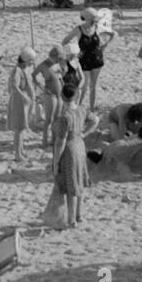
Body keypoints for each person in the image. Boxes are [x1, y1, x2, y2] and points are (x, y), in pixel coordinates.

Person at [50, 84, 91, 227]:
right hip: (80, 145)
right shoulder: (82, 109)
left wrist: (55, 162)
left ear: (62, 97)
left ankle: (72, 219)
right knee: (79, 181)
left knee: (70, 185)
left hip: (69, 150)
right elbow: (95, 120)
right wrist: (84, 133)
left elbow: (60, 143)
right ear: (76, 95)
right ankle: (79, 215)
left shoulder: (64, 117)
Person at [62, 11, 116, 113]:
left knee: (93, 86)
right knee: (84, 86)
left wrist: (105, 46)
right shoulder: (78, 30)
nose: (94, 21)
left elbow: (113, 34)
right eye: (93, 19)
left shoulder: (98, 27)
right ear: (87, 18)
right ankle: (78, 107)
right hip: (84, 61)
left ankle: (91, 109)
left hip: (97, 60)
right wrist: (73, 52)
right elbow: (65, 41)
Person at [7, 46, 39, 162]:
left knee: (22, 129)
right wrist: (24, 96)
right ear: (25, 60)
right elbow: (14, 86)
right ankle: (17, 154)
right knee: (19, 130)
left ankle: (20, 151)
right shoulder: (17, 70)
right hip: (18, 102)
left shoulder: (23, 70)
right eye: (31, 60)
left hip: (23, 102)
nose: (33, 63)